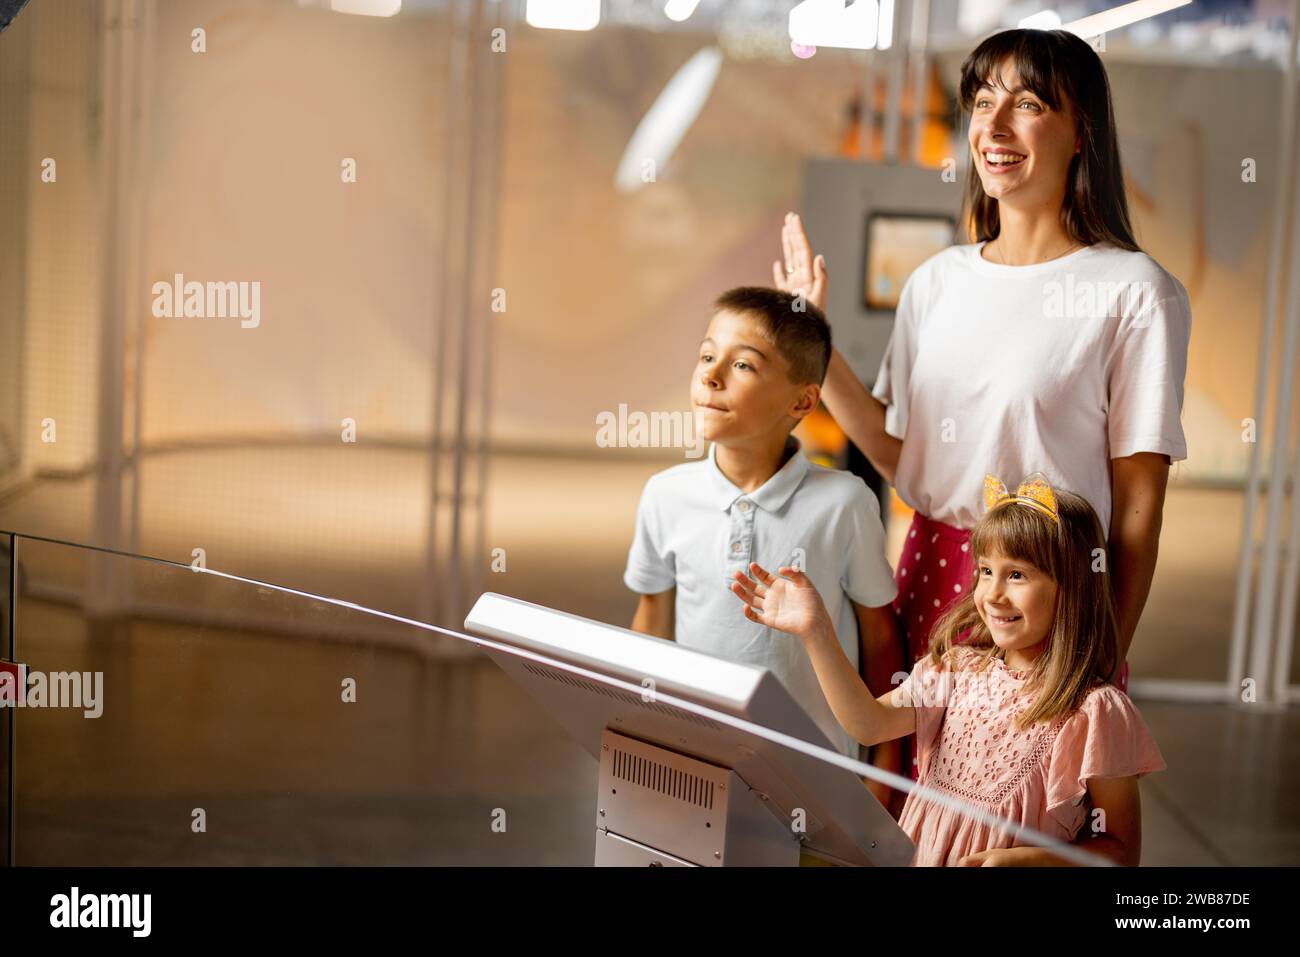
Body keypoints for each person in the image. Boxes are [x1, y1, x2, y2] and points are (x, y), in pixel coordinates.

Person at [772, 29, 1192, 709]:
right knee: (917, 803)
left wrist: (1103, 653)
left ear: (1082, 131)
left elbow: (1139, 505)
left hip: (1053, 601)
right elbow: (905, 458)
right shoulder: (935, 283)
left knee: (1021, 809)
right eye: (983, 100)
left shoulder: (1136, 291)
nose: (992, 125)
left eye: (1026, 103)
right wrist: (816, 342)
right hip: (929, 578)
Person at [730, 471, 1167, 866]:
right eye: (985, 571)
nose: (993, 593)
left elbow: (1120, 851)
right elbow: (867, 724)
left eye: (1017, 575)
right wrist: (816, 631)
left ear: (1071, 588)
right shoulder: (954, 671)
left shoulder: (1097, 712)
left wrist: (1034, 861)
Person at [624, 286, 903, 798]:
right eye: (707, 355)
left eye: (743, 365)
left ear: (802, 400)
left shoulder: (845, 503)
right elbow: (652, 629)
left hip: (818, 785)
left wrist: (883, 774)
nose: (710, 375)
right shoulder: (665, 496)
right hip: (696, 768)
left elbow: (880, 640)